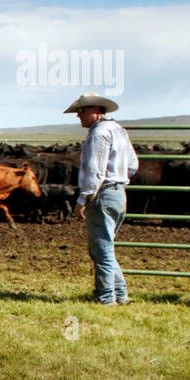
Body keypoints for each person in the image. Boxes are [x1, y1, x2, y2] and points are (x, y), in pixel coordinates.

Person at [66, 93, 138, 305]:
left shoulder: (98, 134)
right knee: (106, 246)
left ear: (96, 109)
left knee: (101, 248)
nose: (79, 116)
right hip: (118, 193)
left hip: (102, 194)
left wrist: (83, 200)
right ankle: (120, 294)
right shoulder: (119, 130)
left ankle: (106, 298)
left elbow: (95, 172)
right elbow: (133, 165)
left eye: (82, 111)